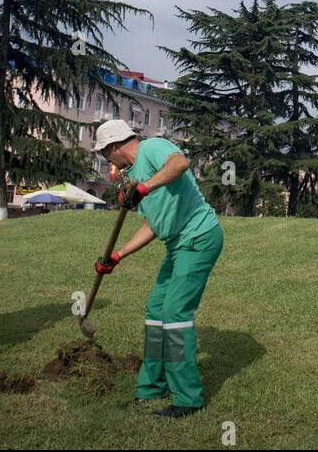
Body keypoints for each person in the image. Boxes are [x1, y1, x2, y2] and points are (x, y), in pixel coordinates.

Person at [91, 119, 222, 419]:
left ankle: (188, 397)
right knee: (155, 310)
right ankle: (152, 386)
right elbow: (153, 224)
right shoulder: (134, 177)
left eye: (103, 154)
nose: (105, 160)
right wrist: (118, 254)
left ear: (114, 147)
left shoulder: (152, 148)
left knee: (175, 314)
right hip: (177, 244)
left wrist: (145, 187)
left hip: (199, 237)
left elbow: (179, 163)